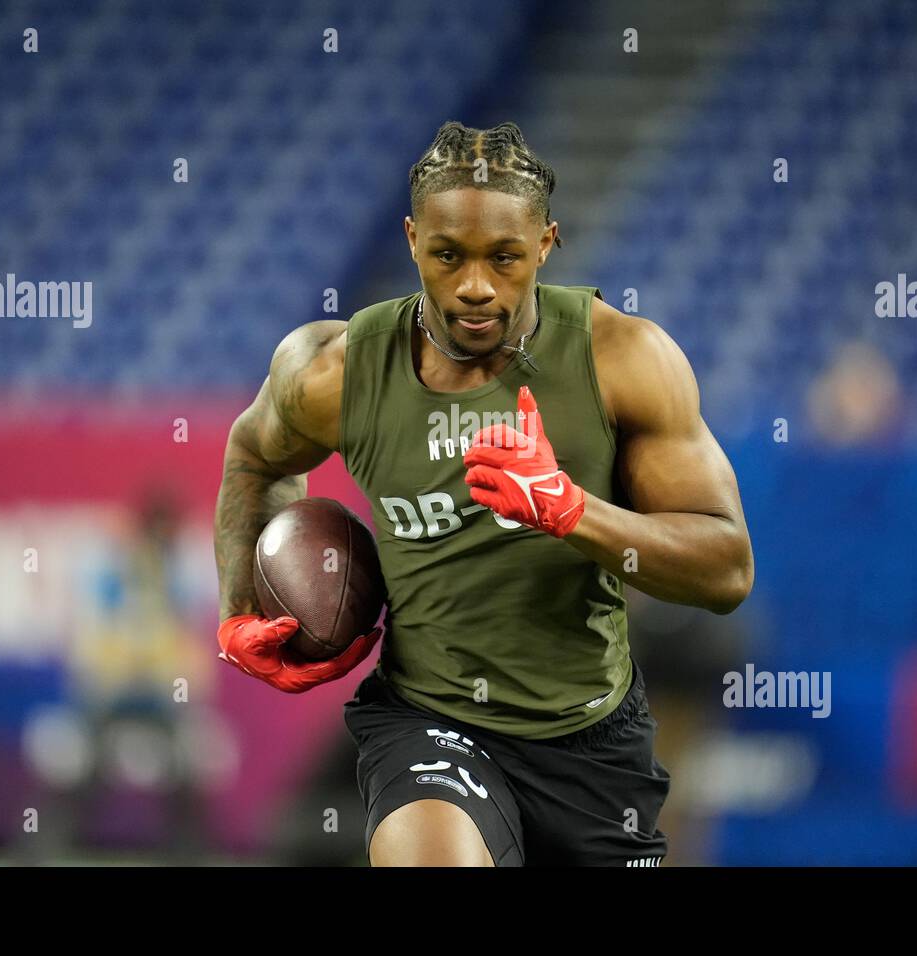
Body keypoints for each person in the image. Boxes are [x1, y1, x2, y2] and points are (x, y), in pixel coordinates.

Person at [213, 121, 753, 866]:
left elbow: (726, 570)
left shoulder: (624, 360)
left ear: (545, 244)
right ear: (411, 241)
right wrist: (242, 606)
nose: (474, 285)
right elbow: (255, 455)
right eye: (447, 255)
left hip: (589, 738)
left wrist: (572, 511)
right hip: (427, 721)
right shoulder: (336, 374)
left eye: (503, 258)